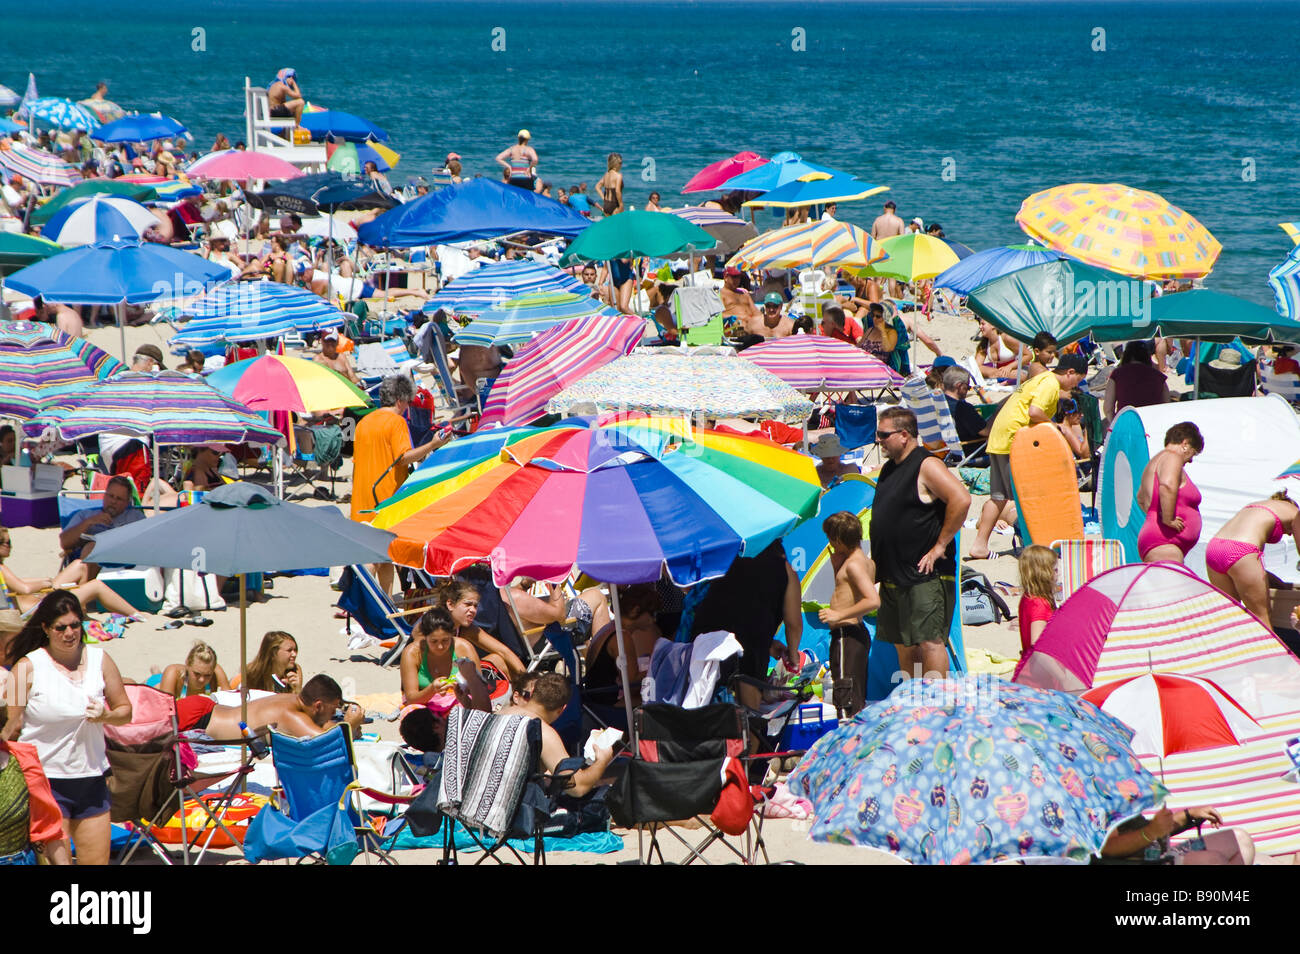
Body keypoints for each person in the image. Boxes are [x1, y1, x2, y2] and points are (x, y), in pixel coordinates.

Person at [1, 591, 131, 866]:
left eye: (75, 625)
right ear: (46, 628)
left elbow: (125, 712)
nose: (70, 633)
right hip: (44, 782)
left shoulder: (100, 659)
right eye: (61, 627)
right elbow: (9, 729)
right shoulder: (27, 668)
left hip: (92, 778)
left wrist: (105, 715)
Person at [869, 406, 971, 680]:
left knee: (929, 641)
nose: (878, 440)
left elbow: (961, 499)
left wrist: (939, 546)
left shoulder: (926, 464)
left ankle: (936, 704)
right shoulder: (890, 468)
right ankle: (915, 699)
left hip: (925, 574)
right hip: (894, 574)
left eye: (883, 434)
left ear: (904, 435)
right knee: (903, 644)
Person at [969, 354, 1088, 560]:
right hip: (1014, 440)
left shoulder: (1043, 379)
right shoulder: (1049, 383)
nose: (1076, 384)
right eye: (1077, 379)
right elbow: (1035, 412)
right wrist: (1054, 426)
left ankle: (980, 545)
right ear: (1069, 373)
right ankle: (1034, 543)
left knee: (999, 496)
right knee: (1027, 495)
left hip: (1001, 436)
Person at [350, 375, 451, 594]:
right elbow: (404, 457)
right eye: (407, 402)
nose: (407, 407)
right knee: (373, 561)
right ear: (399, 400)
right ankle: (359, 607)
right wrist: (434, 444)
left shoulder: (364, 422)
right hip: (385, 499)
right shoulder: (397, 422)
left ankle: (386, 607)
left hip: (361, 498)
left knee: (385, 557)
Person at [689, 540, 804, 706]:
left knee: (708, 704)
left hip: (709, 639)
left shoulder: (731, 559)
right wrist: (793, 653)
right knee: (749, 711)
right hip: (750, 642)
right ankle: (749, 731)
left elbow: (735, 608)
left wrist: (769, 643)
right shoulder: (785, 568)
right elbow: (793, 623)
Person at [492, 672, 614, 796]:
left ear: (533, 691)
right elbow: (577, 787)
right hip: (503, 809)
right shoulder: (542, 732)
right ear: (562, 709)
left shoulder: (496, 715)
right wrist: (602, 761)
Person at [1205, 492, 1300, 632]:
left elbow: (1251, 571)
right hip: (1242, 550)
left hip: (1214, 548)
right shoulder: (1295, 513)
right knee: (1261, 618)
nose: (1289, 534)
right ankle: (1270, 653)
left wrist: (1278, 583)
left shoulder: (1258, 506)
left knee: (1229, 616)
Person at [818, 512, 880, 717]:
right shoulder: (863, 561)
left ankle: (848, 740)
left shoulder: (854, 565)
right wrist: (837, 568)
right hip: (852, 634)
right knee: (854, 693)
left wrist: (838, 615)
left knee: (846, 698)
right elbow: (849, 593)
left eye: (830, 539)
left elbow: (872, 600)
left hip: (847, 634)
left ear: (838, 540)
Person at [0, 528, 139, 617]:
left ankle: (82, 613)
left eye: (9, 542)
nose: (9, 546)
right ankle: (137, 614)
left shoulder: (2, 569)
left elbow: (15, 583)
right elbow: (24, 589)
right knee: (96, 586)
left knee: (80, 565)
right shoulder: (1, 568)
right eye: (5, 542)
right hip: (37, 609)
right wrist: (44, 583)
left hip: (36, 601)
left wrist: (44, 581)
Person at [179, 674, 364, 740]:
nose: (334, 714)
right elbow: (323, 741)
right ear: (318, 705)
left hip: (205, 708)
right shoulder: (291, 715)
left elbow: (317, 726)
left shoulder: (291, 700)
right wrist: (350, 725)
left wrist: (343, 725)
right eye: (332, 710)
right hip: (198, 721)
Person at [398, 608, 482, 752]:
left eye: (445, 640)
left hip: (458, 702)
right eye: (434, 641)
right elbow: (411, 698)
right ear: (424, 637)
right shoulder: (412, 652)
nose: (440, 646)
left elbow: (480, 689)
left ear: (452, 635)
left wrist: (462, 689)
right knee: (411, 714)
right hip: (424, 703)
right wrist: (432, 689)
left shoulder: (463, 647)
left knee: (468, 712)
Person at [1135, 422, 1204, 564]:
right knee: (1171, 586)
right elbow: (1167, 485)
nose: (1190, 460)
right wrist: (1168, 519)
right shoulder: (1172, 457)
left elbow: (1141, 498)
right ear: (1185, 444)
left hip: (1160, 541)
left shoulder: (1156, 461)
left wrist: (1154, 517)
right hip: (1164, 543)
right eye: (1194, 452)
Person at [1100, 806, 1254, 865]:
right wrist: (1151, 831)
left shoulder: (1119, 788)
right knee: (1212, 861)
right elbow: (1107, 848)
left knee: (1240, 839)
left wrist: (1188, 814)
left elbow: (1148, 828)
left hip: (1163, 853)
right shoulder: (1098, 799)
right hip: (1147, 862)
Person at [437, 579, 524, 680]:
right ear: (450, 604)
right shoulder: (432, 627)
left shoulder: (465, 629)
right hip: (434, 683)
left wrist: (527, 680)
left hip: (455, 676)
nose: (473, 610)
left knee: (498, 659)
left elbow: (504, 651)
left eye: (475, 606)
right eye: (468, 604)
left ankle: (525, 691)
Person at [58, 476, 146, 573]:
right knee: (92, 547)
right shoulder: (86, 515)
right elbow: (64, 542)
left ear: (126, 503)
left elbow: (146, 544)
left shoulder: (135, 517)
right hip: (90, 561)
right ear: (104, 496)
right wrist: (88, 522)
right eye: (111, 496)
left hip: (124, 563)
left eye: (119, 499)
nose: (113, 501)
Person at [502, 579, 611, 646]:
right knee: (597, 596)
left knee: (577, 612)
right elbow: (559, 615)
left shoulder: (497, 596)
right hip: (549, 640)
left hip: (529, 641)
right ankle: (601, 659)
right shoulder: (515, 598)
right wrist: (553, 579)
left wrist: (524, 584)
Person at [1104, 340, 1171, 422]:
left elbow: (1108, 408)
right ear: (1147, 356)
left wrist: (1114, 424)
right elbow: (1166, 404)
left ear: (1126, 356)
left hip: (1126, 422)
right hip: (1152, 422)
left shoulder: (1117, 374)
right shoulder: (1159, 376)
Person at [940, 365, 990, 458]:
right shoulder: (962, 408)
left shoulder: (939, 404)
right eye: (967, 386)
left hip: (945, 449)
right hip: (970, 451)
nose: (968, 390)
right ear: (959, 386)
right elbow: (987, 432)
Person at [1016, 545, 1058, 655]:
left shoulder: (1028, 597)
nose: (1058, 575)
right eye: (1055, 570)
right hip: (1041, 667)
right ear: (1045, 573)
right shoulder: (1039, 604)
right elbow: (1036, 644)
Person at [157, 641, 230, 698]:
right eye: (197, 674)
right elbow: (166, 710)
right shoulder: (173, 672)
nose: (202, 679)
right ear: (187, 664)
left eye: (207, 675)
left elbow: (230, 700)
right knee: (157, 680)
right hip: (157, 682)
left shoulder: (217, 672)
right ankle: (156, 671)